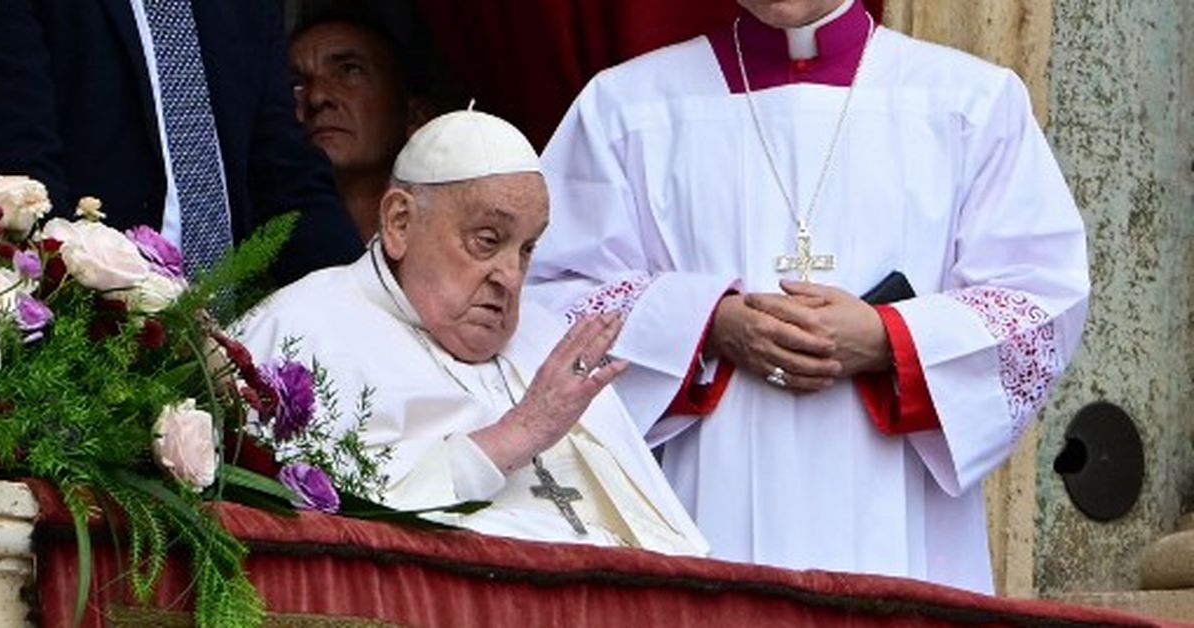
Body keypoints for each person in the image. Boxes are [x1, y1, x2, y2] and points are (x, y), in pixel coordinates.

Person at [526, 0, 1089, 592]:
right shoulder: (626, 107)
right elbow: (550, 295)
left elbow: (1039, 298)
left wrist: (887, 338)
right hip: (703, 501)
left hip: (900, 515)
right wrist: (707, 322)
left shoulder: (971, 101)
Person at [239, 109, 708, 555]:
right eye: (487, 240)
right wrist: (517, 434)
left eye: (526, 249)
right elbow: (321, 527)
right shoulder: (305, 327)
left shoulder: (545, 340)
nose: (510, 275)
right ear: (400, 221)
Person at [0, 0, 361, 284]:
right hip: (81, 334)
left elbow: (287, 180)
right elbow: (24, 179)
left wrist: (362, 298)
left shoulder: (244, 9)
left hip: (223, 349)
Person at [289, 12, 433, 241]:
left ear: (414, 117)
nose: (317, 97)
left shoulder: (447, 253)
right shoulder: (257, 254)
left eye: (349, 70)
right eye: (296, 84)